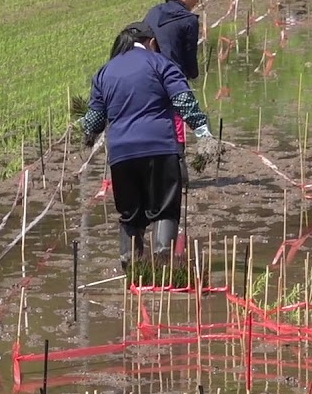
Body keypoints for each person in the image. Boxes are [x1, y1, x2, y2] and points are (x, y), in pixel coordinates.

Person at [75, 22, 220, 271]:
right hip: (160, 148)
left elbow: (95, 121)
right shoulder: (160, 63)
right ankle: (162, 265)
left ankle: (131, 270)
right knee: (164, 209)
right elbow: (183, 100)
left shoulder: (104, 72)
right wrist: (203, 131)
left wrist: (85, 130)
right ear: (151, 42)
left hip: (122, 155)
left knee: (130, 213)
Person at [144, 0, 213, 81]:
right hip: (171, 82)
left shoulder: (153, 12)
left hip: (147, 76)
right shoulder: (188, 20)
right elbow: (191, 66)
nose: (197, 0)